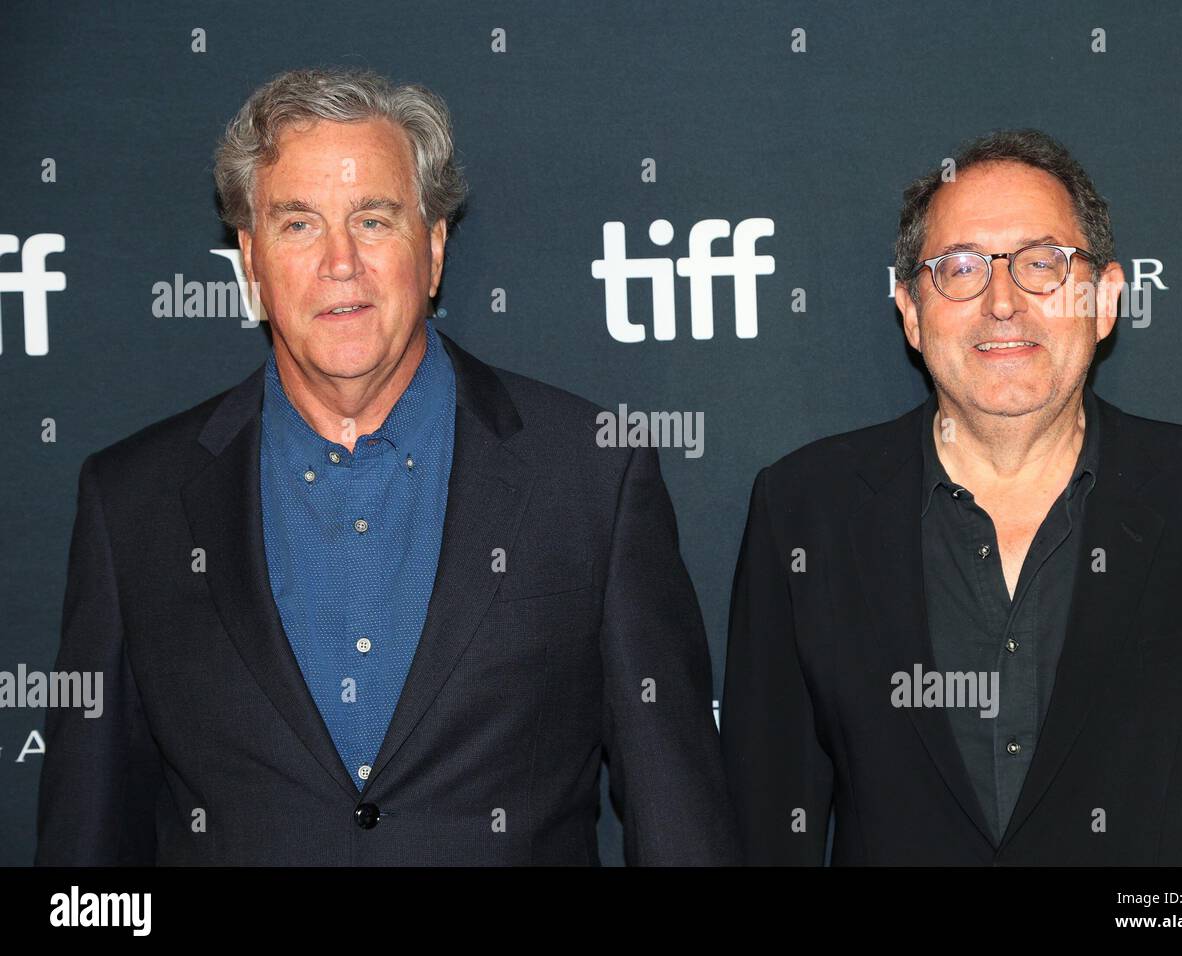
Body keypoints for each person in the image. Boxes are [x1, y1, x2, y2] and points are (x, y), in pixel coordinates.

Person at [35, 67, 736, 866]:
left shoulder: (593, 473)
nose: (341, 262)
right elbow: (86, 862)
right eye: (298, 224)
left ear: (434, 250)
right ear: (251, 261)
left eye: (373, 220)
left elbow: (680, 827)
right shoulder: (133, 503)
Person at [721, 129, 1182, 865]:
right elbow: (766, 830)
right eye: (959, 268)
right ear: (909, 311)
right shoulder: (803, 512)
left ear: (1106, 299)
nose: (1002, 301)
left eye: (1042, 264)